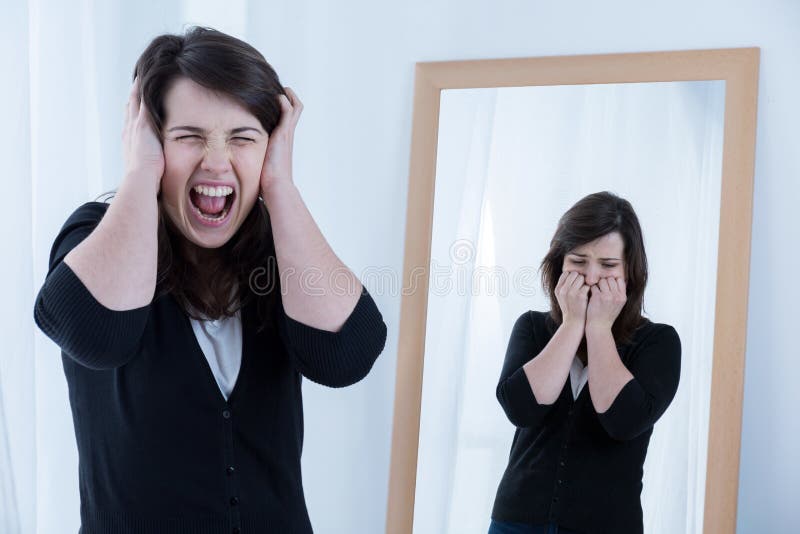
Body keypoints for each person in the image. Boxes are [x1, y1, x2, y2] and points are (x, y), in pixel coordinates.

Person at [33, 27, 387, 533]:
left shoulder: (277, 242)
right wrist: (139, 175)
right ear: (149, 138)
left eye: (243, 138)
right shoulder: (98, 230)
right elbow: (96, 334)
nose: (217, 161)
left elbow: (347, 356)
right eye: (188, 136)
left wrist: (280, 185)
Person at [487, 192, 681, 534]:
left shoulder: (658, 342)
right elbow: (521, 408)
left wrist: (599, 328)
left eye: (607, 265)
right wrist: (572, 324)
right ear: (560, 264)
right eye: (578, 261)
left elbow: (622, 420)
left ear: (630, 272)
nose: (591, 277)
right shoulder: (532, 328)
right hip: (516, 522)